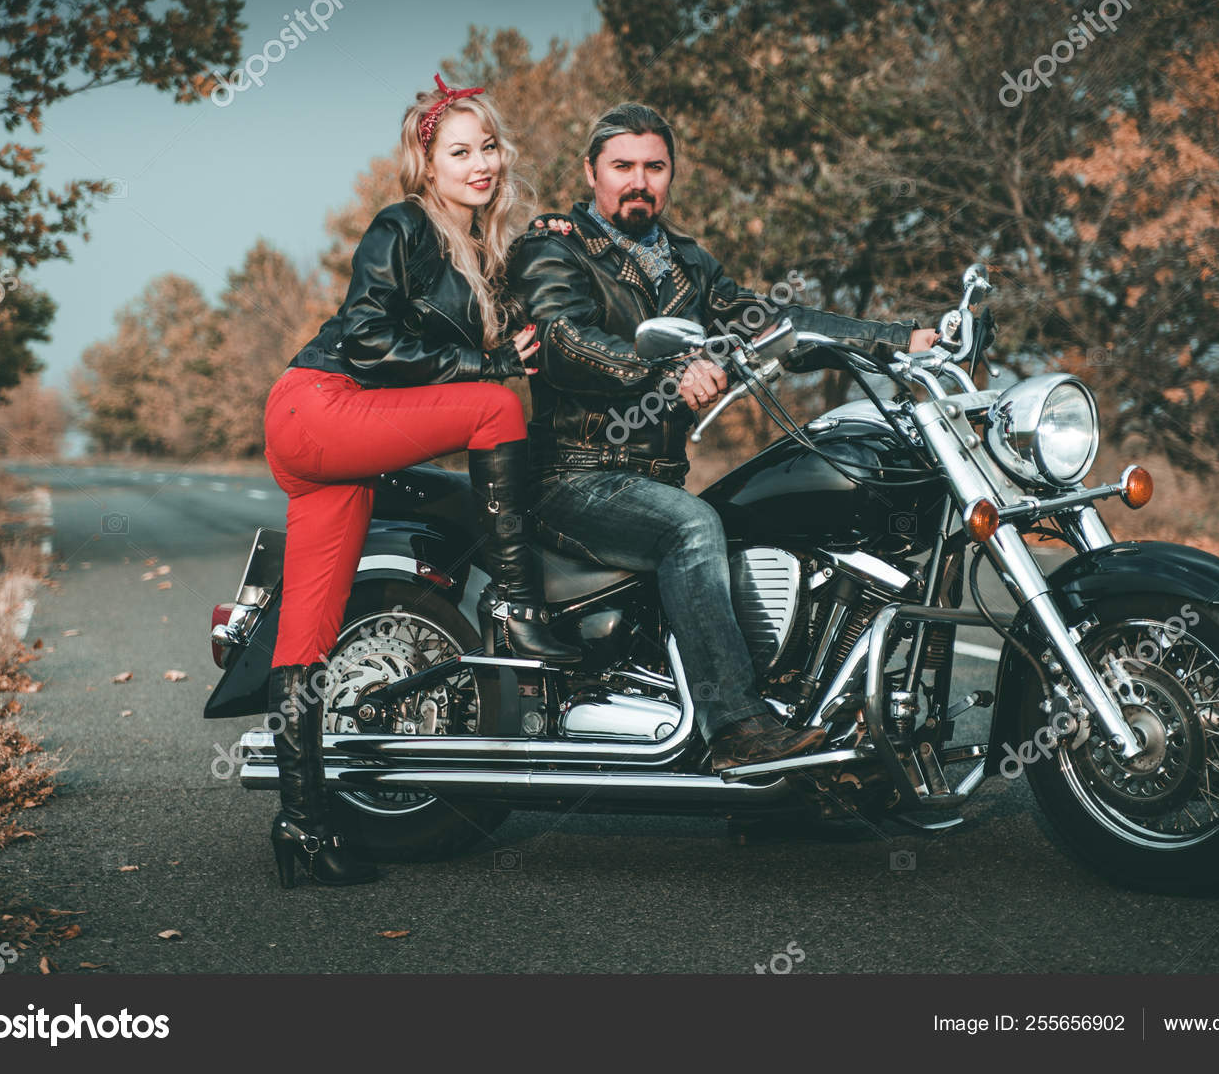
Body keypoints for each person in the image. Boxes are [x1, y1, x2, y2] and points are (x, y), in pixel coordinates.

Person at [509, 102, 940, 772]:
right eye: (622, 166)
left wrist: (895, 341)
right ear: (591, 171)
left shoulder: (686, 264)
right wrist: (667, 369)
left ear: (671, 174)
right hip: (573, 478)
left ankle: (811, 734)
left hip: (654, 480)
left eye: (654, 167)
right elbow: (565, 341)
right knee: (692, 527)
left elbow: (772, 323)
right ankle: (736, 728)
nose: (638, 181)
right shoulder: (554, 247)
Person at [262, 74, 580, 888]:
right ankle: (516, 609)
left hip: (339, 437)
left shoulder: (483, 251)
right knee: (493, 407)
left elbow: (522, 321)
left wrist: (562, 235)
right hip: (318, 403)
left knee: (306, 638)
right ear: (427, 164)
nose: (481, 164)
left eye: (489, 148)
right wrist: (488, 364)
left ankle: (301, 825)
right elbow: (368, 340)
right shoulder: (400, 226)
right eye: (460, 152)